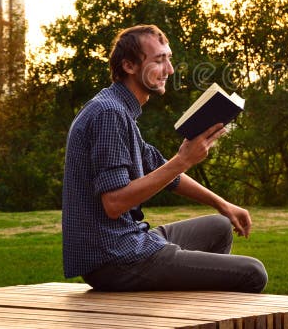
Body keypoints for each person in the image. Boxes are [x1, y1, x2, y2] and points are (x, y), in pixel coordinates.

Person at [62, 24, 267, 293]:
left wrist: (223, 204)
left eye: (168, 59)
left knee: (219, 226)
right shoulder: (109, 114)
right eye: (159, 60)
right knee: (253, 273)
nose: (169, 70)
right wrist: (184, 159)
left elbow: (161, 169)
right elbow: (114, 203)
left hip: (127, 243)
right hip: (115, 258)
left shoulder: (119, 110)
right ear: (129, 66)